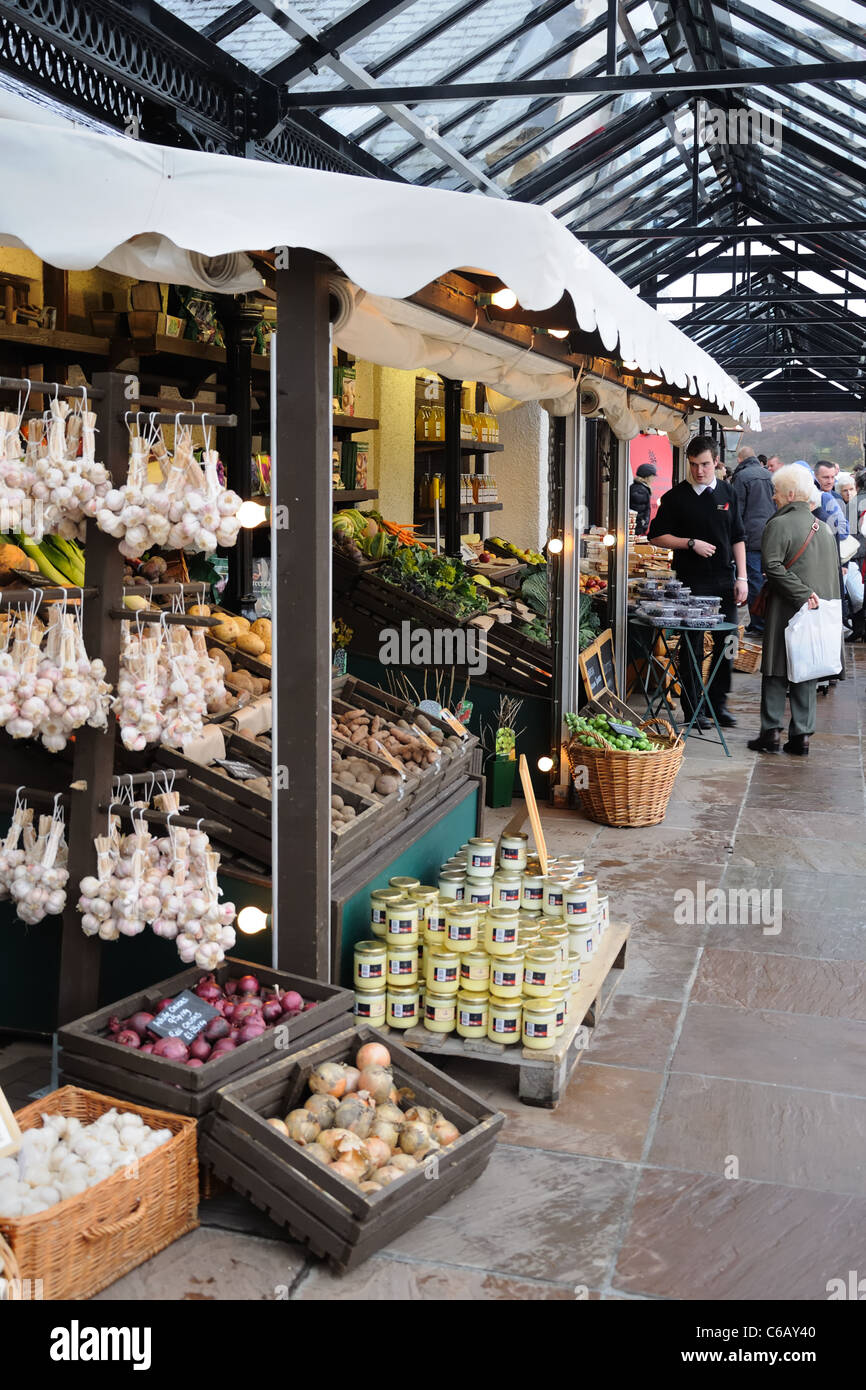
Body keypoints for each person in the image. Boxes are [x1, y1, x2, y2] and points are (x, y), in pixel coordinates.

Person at [648, 433, 748, 730]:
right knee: (691, 647)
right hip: (690, 582)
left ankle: (718, 703)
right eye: (693, 464)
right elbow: (656, 536)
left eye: (704, 464)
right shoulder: (675, 497)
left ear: (716, 461)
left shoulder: (728, 493)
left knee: (728, 642)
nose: (699, 470)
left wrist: (742, 577)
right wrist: (689, 543)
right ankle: (693, 709)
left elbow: (738, 537)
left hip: (724, 581)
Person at [747, 465, 841, 756]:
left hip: (786, 607)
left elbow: (771, 567)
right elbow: (832, 575)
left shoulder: (778, 524)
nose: (773, 497)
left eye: (776, 491)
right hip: (818, 611)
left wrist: (801, 593)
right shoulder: (824, 528)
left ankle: (771, 732)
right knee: (806, 668)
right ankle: (801, 736)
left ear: (789, 494)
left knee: (776, 668)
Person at [731, 445, 775, 634]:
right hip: (771, 534)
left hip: (750, 537)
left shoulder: (742, 477)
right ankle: (770, 621)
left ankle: (758, 623)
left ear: (740, 460)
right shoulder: (770, 476)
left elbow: (737, 511)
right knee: (770, 579)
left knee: (754, 579)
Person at [814, 460, 849, 538]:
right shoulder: (808, 497)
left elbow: (843, 530)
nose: (830, 481)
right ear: (815, 476)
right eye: (826, 477)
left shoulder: (838, 497)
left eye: (832, 477)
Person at [629, 463, 656, 536]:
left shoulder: (638, 487)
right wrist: (642, 525)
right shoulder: (640, 490)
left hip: (635, 527)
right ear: (647, 477)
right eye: (653, 476)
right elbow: (638, 512)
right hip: (636, 529)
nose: (654, 479)